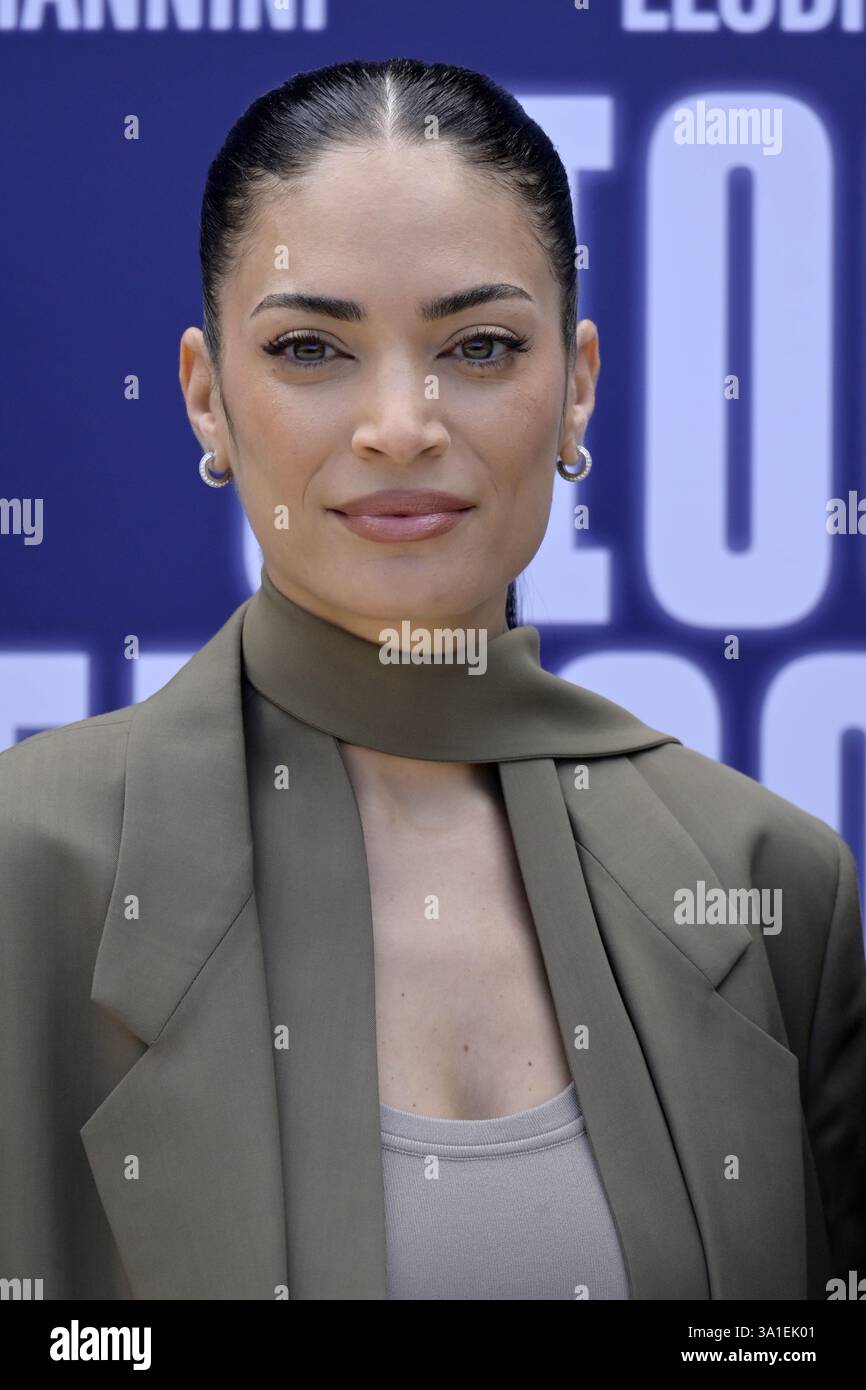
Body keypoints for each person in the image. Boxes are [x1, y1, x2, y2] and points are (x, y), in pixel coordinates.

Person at [1, 56, 864, 1302]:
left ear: (574, 388)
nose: (400, 423)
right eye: (309, 346)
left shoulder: (769, 885)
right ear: (205, 398)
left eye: (477, 345)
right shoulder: (28, 874)